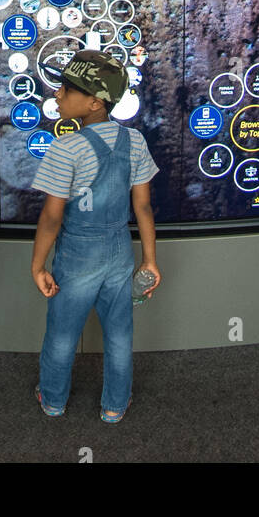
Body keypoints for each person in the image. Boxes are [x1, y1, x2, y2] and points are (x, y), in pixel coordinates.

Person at [30, 51, 159, 424]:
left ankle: (53, 400)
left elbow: (52, 216)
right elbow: (144, 209)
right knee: (119, 334)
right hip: (120, 251)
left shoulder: (65, 148)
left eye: (66, 89)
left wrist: (38, 265)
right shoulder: (134, 142)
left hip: (76, 255)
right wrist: (149, 261)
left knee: (61, 334)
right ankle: (115, 406)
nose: (57, 95)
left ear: (93, 102)